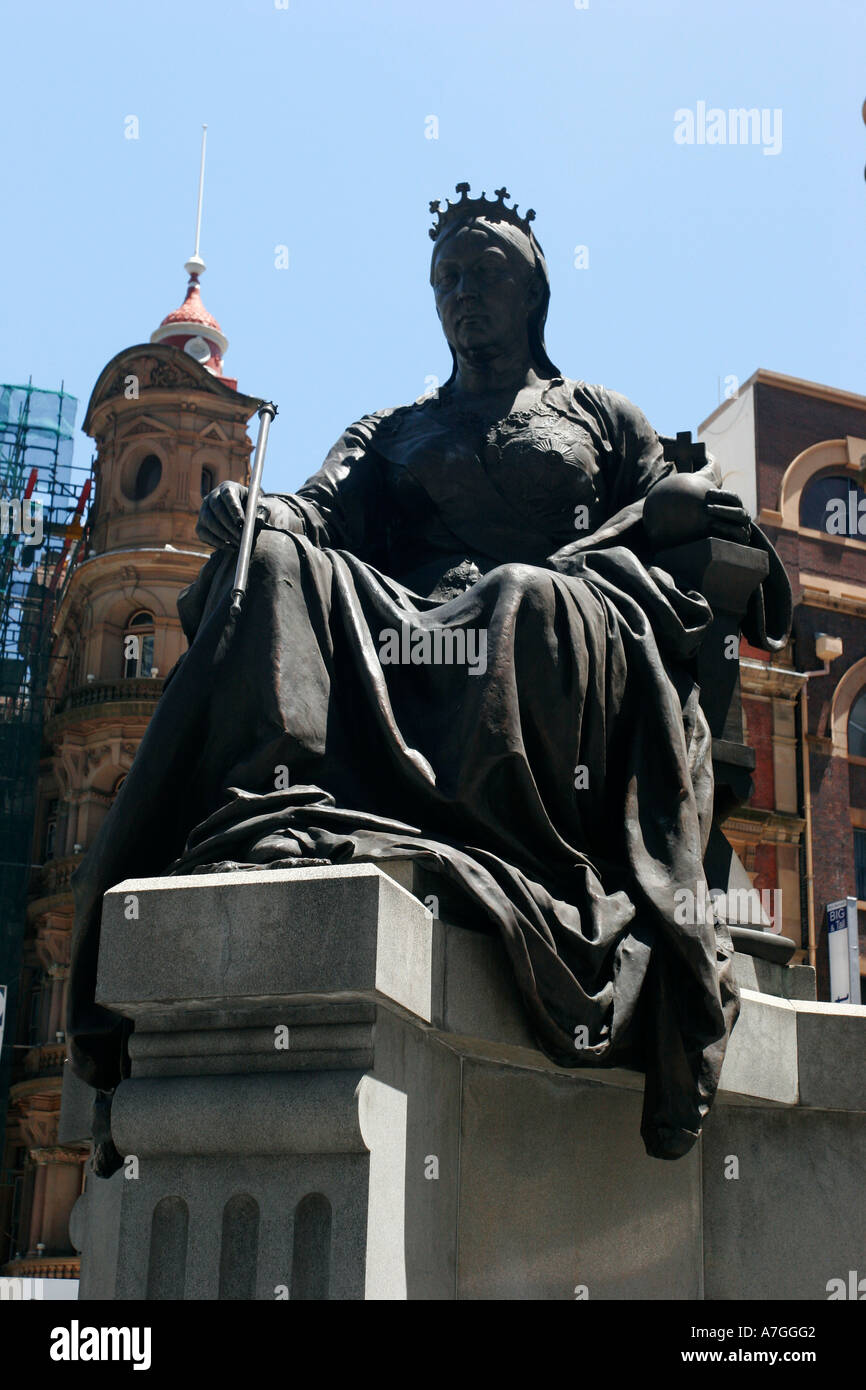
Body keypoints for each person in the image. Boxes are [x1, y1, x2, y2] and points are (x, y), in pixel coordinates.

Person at [69, 184, 790, 1163]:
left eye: (481, 274)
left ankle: (502, 849)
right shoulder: (392, 429)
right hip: (404, 631)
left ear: (530, 293)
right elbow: (311, 511)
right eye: (444, 277)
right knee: (273, 566)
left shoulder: (598, 416)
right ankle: (273, 819)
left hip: (551, 631)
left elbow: (684, 521)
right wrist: (254, 515)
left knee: (518, 597)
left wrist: (684, 510)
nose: (460, 293)